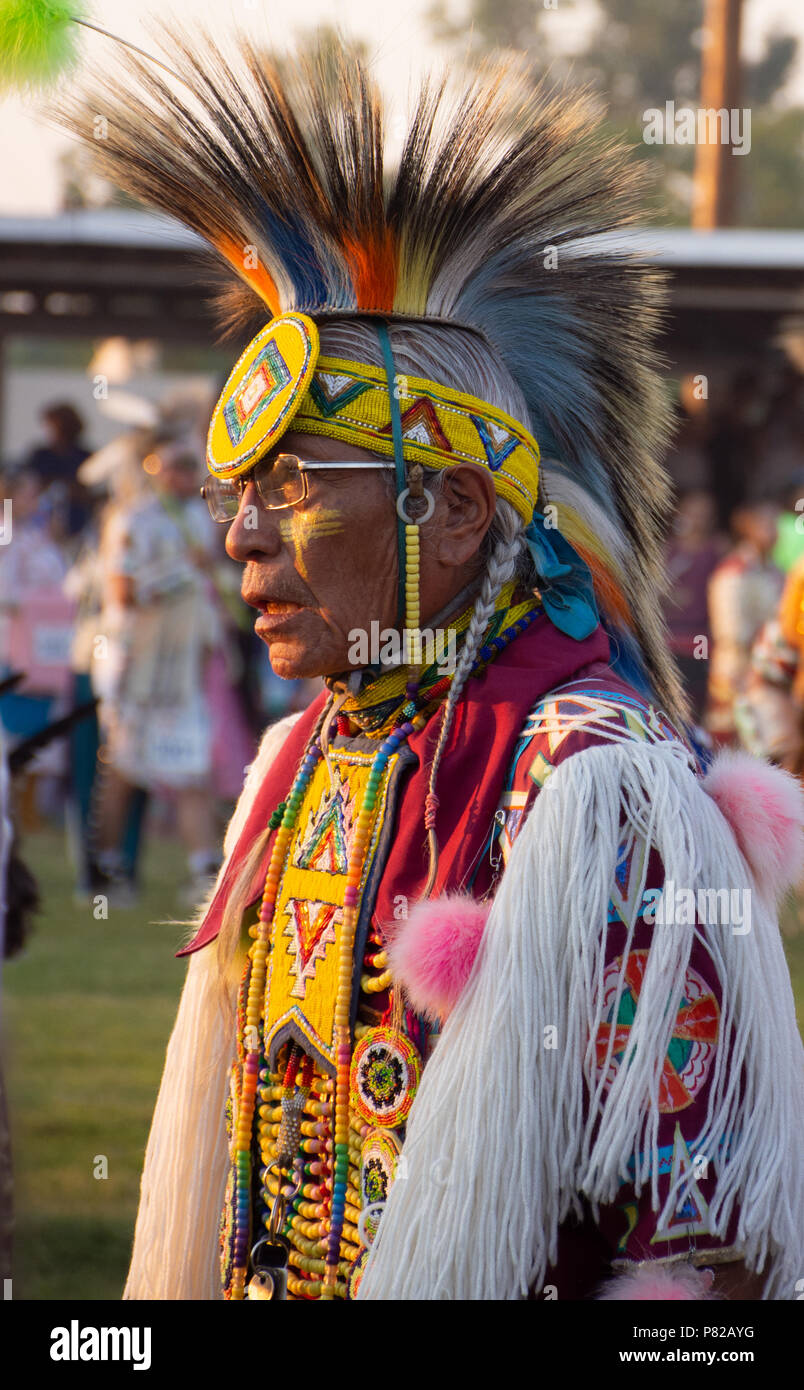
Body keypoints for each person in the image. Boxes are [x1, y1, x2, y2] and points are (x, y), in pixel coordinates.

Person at [59, 35, 804, 1302]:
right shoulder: (301, 762)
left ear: (452, 509)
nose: (238, 531)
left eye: (292, 486)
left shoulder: (598, 792)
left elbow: (710, 1245)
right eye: (239, 489)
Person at [706, 503, 783, 746]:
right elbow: (730, 630)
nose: (772, 533)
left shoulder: (775, 571)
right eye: (765, 525)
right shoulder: (732, 571)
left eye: (775, 525)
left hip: (767, 669)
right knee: (729, 741)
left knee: (767, 745)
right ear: (747, 530)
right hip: (737, 668)